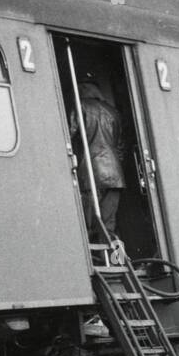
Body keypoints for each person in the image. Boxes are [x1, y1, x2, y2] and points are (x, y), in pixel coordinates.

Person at [69, 76, 125, 239]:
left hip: (90, 174)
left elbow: (71, 137)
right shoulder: (113, 111)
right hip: (115, 177)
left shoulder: (80, 107)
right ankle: (116, 262)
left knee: (88, 227)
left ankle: (92, 262)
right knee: (109, 228)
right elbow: (120, 147)